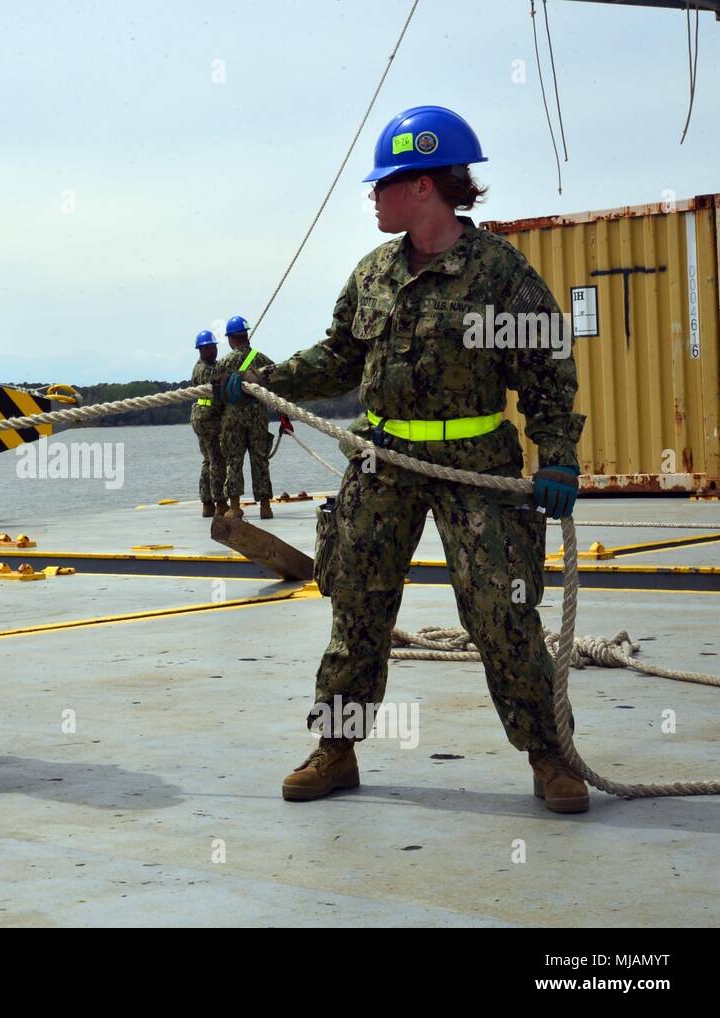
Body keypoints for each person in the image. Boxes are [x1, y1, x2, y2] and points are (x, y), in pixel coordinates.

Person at [213, 105, 588, 813]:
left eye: (384, 183)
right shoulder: (373, 274)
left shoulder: (499, 275)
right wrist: (264, 381)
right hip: (382, 460)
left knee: (502, 614)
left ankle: (549, 755)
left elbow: (545, 373)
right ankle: (337, 748)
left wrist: (559, 460)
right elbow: (341, 357)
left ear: (425, 187)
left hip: (474, 464)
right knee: (356, 606)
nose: (372, 195)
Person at [216, 315, 275, 519]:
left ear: (231, 339)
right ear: (246, 335)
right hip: (258, 415)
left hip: (233, 418)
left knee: (234, 461)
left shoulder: (224, 362)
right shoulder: (262, 359)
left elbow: (216, 393)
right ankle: (265, 506)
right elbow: (276, 383)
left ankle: (235, 507)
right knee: (260, 459)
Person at [189, 329, 229, 517]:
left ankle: (207, 503)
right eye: (209, 348)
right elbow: (218, 386)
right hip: (209, 418)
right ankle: (219, 502)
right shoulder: (205, 370)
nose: (213, 351)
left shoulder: (201, 367)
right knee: (217, 460)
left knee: (208, 459)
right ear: (201, 350)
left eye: (213, 347)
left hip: (201, 416)